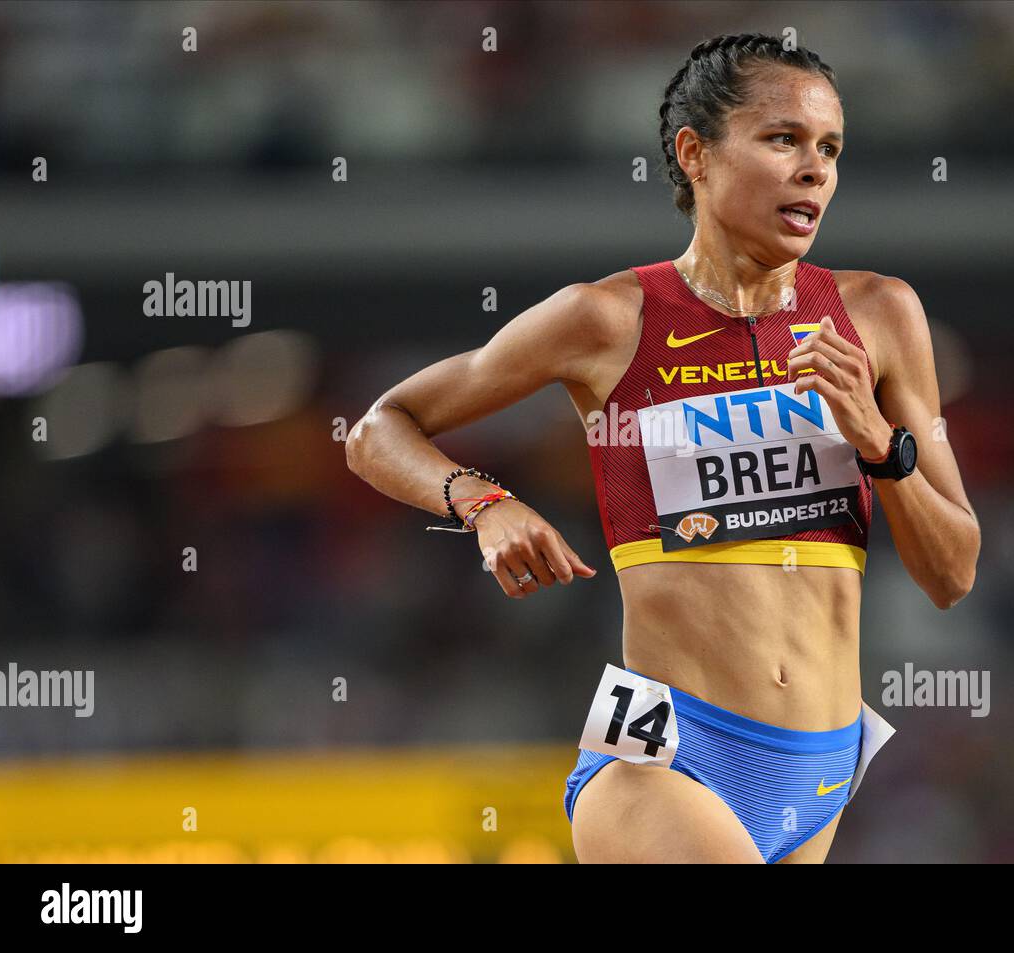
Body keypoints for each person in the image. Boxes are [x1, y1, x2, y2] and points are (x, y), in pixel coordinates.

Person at [345, 33, 980, 864]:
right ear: (694, 155)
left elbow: (953, 572)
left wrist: (879, 446)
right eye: (782, 139)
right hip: (668, 761)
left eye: (829, 148)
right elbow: (377, 429)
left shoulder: (880, 315)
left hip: (820, 773)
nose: (815, 169)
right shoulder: (605, 320)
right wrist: (484, 502)